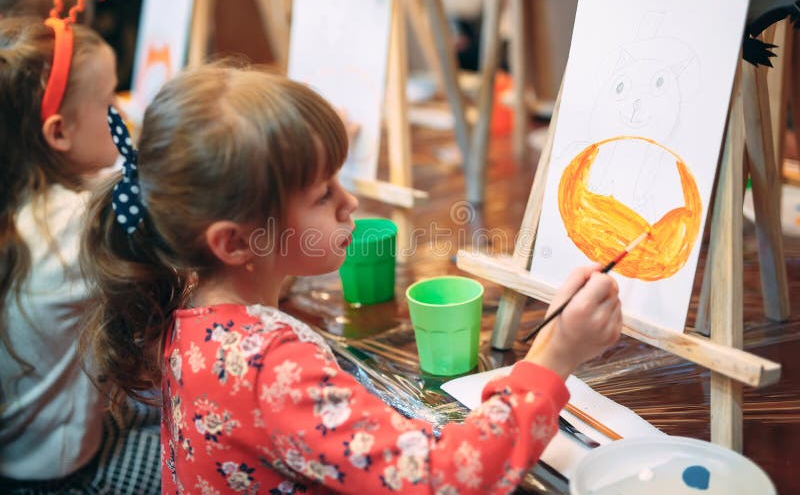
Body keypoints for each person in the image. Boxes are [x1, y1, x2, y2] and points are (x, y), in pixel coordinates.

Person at [81, 62, 622, 494]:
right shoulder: (271, 368)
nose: (351, 202)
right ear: (237, 241)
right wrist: (553, 358)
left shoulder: (190, 302)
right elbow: (449, 479)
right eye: (323, 195)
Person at [0, 15, 158, 493]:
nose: (123, 112)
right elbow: (178, 223)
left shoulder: (25, 204)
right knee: (224, 467)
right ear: (58, 133)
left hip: (22, 449)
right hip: (55, 475)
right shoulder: (76, 226)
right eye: (111, 100)